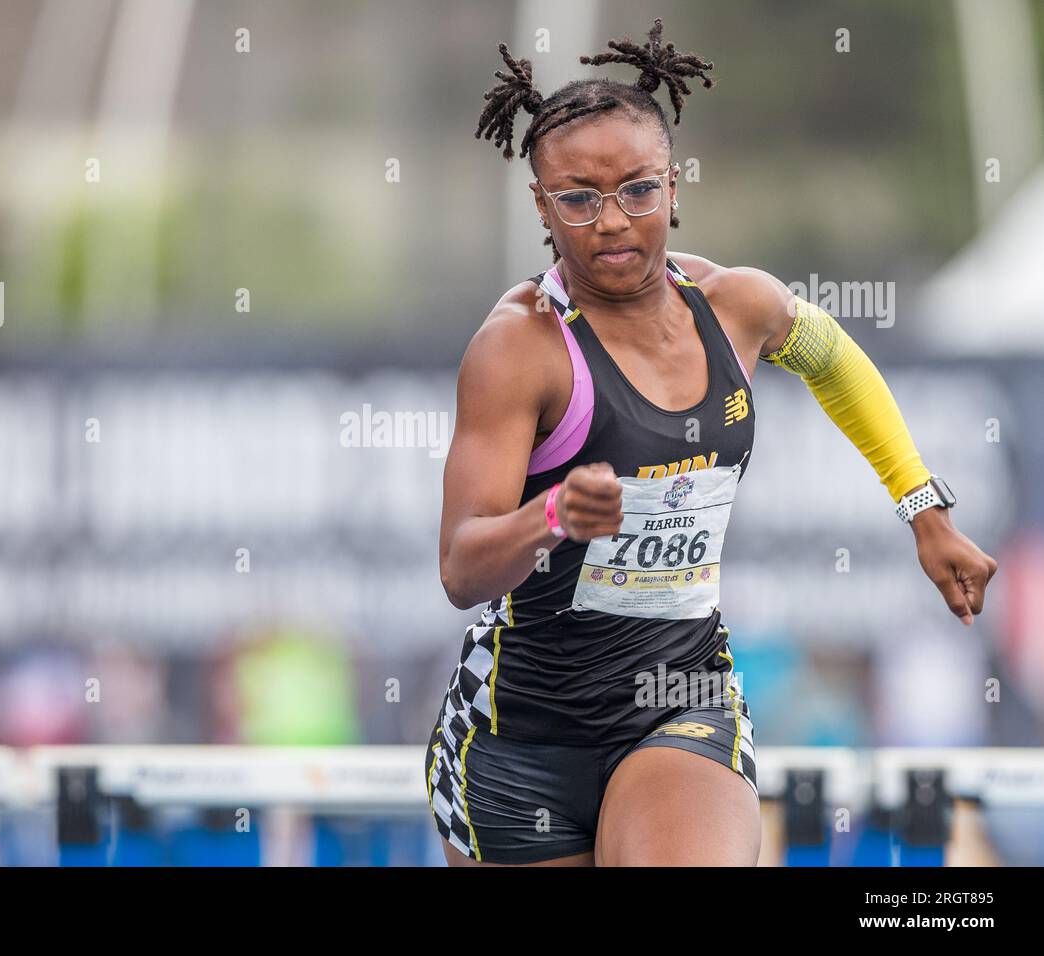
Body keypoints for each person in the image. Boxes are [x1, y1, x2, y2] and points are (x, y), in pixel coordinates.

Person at [424, 18, 997, 867]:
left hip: (679, 696)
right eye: (578, 198)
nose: (612, 221)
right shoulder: (521, 348)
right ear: (543, 205)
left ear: (675, 186)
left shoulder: (738, 307)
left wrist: (923, 507)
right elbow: (461, 568)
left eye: (638, 191)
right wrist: (552, 516)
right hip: (521, 735)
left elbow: (837, 362)